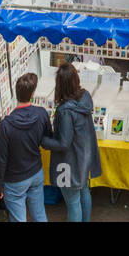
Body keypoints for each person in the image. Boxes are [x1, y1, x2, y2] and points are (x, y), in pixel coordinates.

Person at [42, 62, 102, 222]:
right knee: (83, 192)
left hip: (69, 163)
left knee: (73, 201)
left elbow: (63, 143)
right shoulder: (85, 96)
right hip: (84, 158)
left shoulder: (65, 111)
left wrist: (43, 140)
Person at [0, 72, 53, 222]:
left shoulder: (6, 125)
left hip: (15, 180)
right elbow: (47, 138)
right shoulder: (41, 114)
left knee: (18, 218)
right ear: (32, 94)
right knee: (39, 215)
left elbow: (0, 159)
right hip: (36, 173)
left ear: (16, 94)